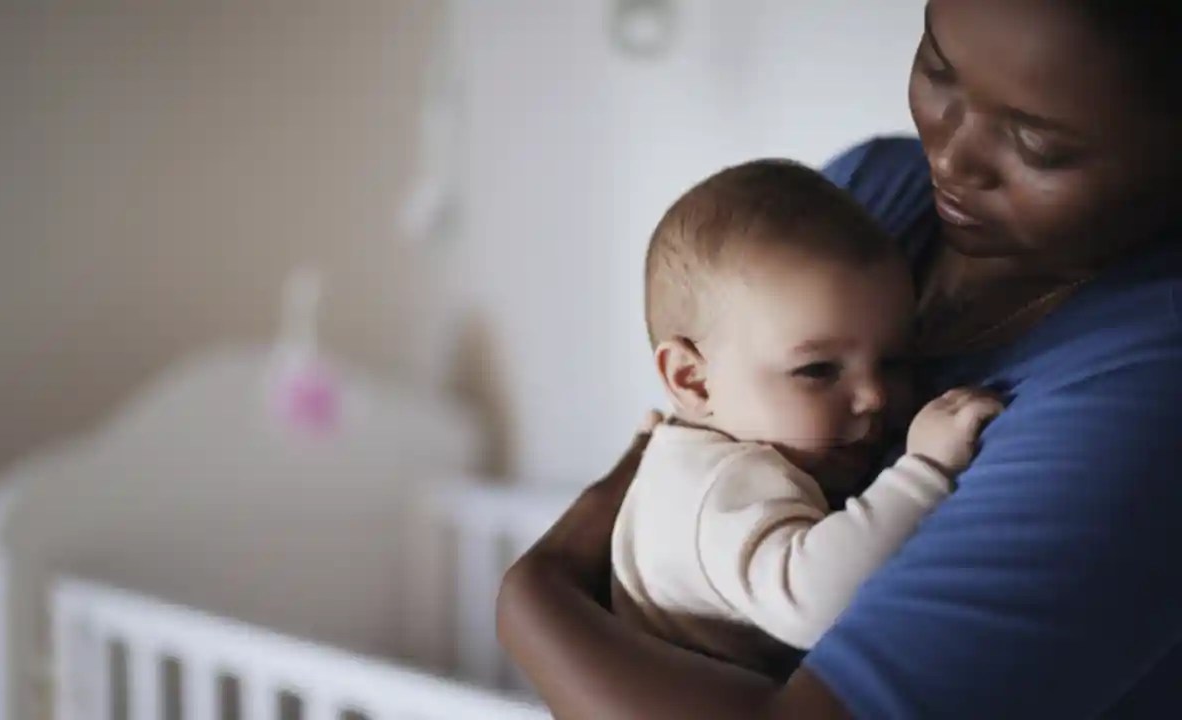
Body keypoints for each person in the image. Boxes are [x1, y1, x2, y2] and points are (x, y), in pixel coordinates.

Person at [496, 0, 1182, 717]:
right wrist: (542, 593)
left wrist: (534, 596)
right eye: (937, 68)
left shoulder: (1141, 391)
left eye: (1036, 144)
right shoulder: (867, 198)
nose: (947, 157)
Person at [612, 159, 1001, 678]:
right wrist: (924, 470)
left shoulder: (688, 456)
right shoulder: (725, 484)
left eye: (892, 362)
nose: (874, 397)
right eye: (818, 370)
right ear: (692, 380)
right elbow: (811, 602)